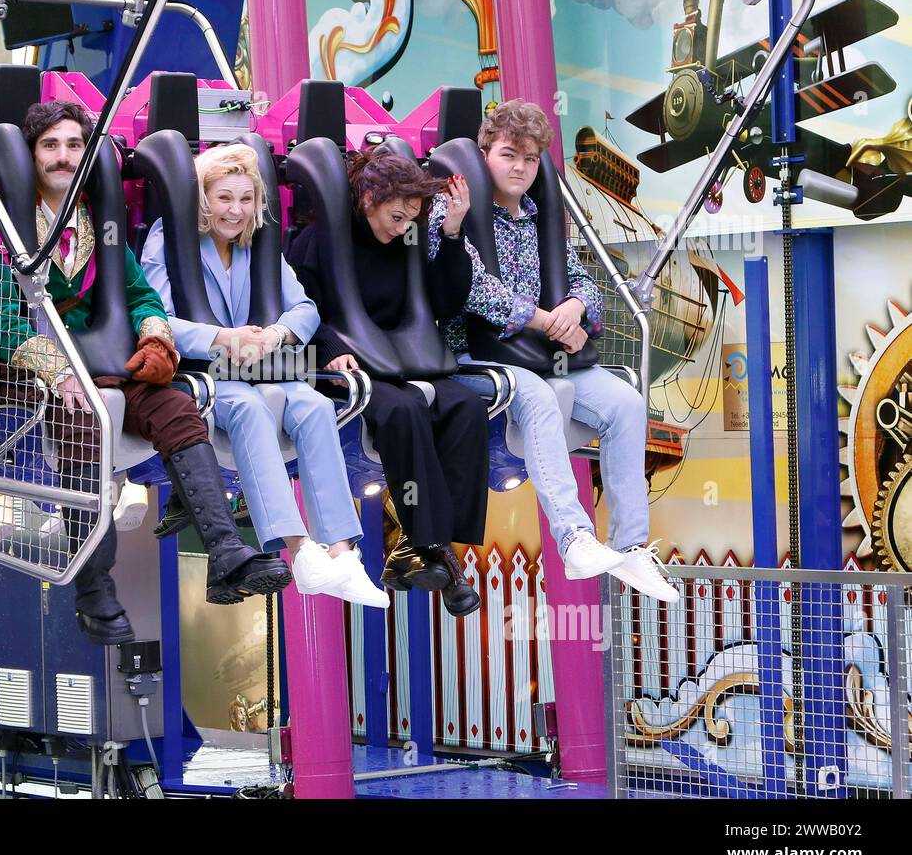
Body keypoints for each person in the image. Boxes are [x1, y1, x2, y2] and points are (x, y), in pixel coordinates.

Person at [0, 101, 293, 644]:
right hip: (24, 369)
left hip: (110, 363)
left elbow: (137, 293)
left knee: (178, 408)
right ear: (30, 155)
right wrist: (57, 370)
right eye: (51, 146)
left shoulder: (93, 222)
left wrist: (155, 335)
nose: (64, 157)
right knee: (84, 423)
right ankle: (94, 590)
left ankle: (228, 550)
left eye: (73, 146)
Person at [429, 98, 677, 602]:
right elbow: (469, 284)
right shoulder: (454, 206)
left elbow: (582, 278)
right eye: (507, 155)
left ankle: (630, 547)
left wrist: (578, 312)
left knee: (627, 404)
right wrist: (543, 318)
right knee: (540, 399)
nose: (519, 167)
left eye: (528, 158)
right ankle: (574, 536)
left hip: (544, 351)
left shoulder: (542, 218)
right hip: (480, 356)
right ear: (484, 153)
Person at [141, 143, 388, 608]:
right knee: (252, 410)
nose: (235, 210)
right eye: (224, 198)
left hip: (263, 366)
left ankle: (341, 553)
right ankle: (300, 551)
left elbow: (306, 309)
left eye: (245, 199)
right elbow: (156, 317)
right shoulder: (166, 237)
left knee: (315, 406)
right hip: (208, 373)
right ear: (203, 200)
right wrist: (221, 337)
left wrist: (275, 334)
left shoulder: (257, 248)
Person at [288, 149, 486, 617]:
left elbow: (444, 299)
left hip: (407, 358)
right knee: (402, 411)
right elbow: (296, 308)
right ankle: (434, 551)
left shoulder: (408, 239)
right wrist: (330, 349)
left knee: (467, 406)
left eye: (411, 219)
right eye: (396, 216)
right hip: (342, 363)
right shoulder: (317, 241)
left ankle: (424, 548)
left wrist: (452, 234)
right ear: (370, 197)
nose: (401, 228)